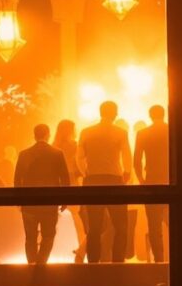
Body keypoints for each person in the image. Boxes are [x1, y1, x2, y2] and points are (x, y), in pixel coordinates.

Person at [79, 101, 134, 263]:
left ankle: (93, 262)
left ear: (100, 112)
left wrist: (86, 173)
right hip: (114, 179)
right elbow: (127, 155)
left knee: (94, 227)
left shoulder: (86, 132)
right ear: (114, 113)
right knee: (120, 226)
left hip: (92, 180)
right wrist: (126, 174)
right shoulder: (121, 132)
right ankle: (117, 261)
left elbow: (79, 157)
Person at [13, 123, 71, 265]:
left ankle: (32, 264)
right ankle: (41, 264)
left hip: (29, 203)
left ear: (34, 135)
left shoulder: (24, 154)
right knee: (48, 235)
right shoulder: (57, 153)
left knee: (30, 237)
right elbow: (64, 178)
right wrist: (65, 200)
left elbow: (17, 178)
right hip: (49, 203)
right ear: (48, 135)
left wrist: (19, 200)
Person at [134, 104, 169, 263]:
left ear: (150, 115)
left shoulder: (143, 133)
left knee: (154, 226)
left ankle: (159, 260)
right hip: (171, 180)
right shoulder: (172, 131)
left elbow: (137, 161)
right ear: (164, 114)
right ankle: (176, 258)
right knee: (173, 223)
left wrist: (142, 181)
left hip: (152, 180)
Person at [52, 120, 86, 262]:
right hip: (72, 181)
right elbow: (78, 164)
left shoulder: (54, 147)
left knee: (52, 222)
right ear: (70, 130)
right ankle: (82, 251)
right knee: (79, 220)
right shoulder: (74, 145)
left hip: (57, 183)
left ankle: (44, 252)